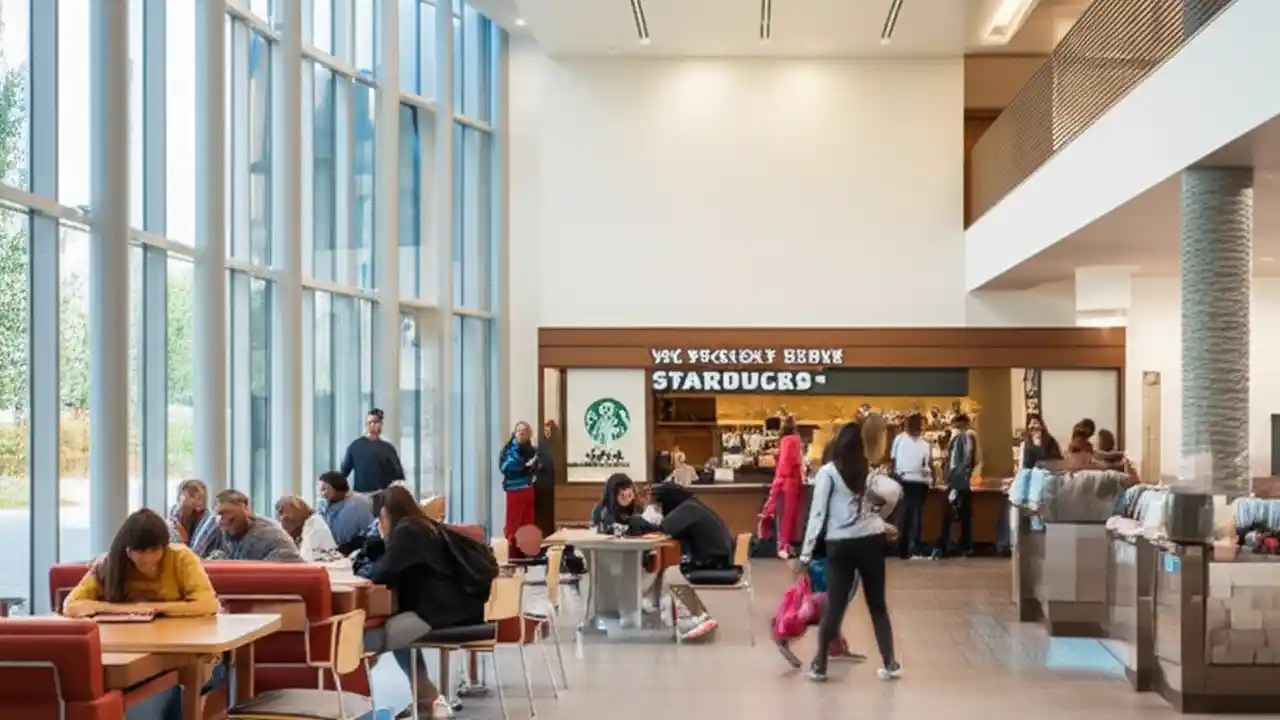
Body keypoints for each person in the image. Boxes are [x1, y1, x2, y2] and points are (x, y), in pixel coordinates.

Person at [363, 486, 488, 719]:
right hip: (458, 607)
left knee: (370, 639)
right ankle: (427, 698)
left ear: (387, 513)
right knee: (397, 632)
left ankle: (354, 705)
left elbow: (382, 574)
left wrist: (380, 543)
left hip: (439, 613)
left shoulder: (407, 532)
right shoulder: (425, 527)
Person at [799, 422, 901, 683]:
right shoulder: (869, 473)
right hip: (870, 542)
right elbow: (892, 493)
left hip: (840, 544)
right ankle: (890, 662)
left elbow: (818, 514)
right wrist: (881, 522)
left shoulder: (829, 473)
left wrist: (805, 553)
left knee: (835, 604)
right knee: (877, 604)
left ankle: (820, 664)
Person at [63, 508, 219, 618]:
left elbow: (207, 604)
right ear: (127, 551)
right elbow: (71, 605)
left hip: (181, 637)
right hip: (126, 638)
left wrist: (149, 609)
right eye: (139, 552)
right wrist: (129, 610)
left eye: (154, 550)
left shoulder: (182, 558)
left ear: (164, 547)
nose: (148, 558)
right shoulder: (109, 564)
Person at [649, 483, 726, 641]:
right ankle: (698, 614)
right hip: (719, 556)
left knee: (670, 573)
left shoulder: (687, 509)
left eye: (658, 504)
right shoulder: (691, 505)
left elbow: (664, 528)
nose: (658, 508)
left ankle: (697, 615)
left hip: (715, 561)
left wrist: (647, 519)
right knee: (672, 570)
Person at [209, 490, 303, 562]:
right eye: (217, 515)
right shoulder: (228, 532)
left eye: (225, 512)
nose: (220, 520)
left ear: (245, 508)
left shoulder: (268, 534)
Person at [933, 414, 976, 560]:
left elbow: (958, 462)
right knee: (964, 515)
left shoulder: (961, 438)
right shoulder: (968, 438)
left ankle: (947, 545)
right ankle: (965, 546)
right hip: (962, 482)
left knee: (950, 514)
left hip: (956, 482)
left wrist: (952, 479)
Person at [762, 415, 804, 559]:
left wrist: (775, 487)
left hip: (785, 483)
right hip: (795, 483)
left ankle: (782, 546)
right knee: (791, 516)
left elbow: (784, 467)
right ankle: (790, 545)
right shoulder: (797, 440)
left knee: (783, 517)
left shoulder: (787, 441)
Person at [891, 413, 932, 559]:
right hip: (905, 480)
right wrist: (896, 477)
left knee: (917, 516)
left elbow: (927, 463)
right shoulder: (899, 439)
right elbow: (894, 460)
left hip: (920, 482)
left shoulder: (925, 443)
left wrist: (928, 475)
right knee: (906, 515)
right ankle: (903, 547)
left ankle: (915, 547)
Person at [340, 408, 407, 493]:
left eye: (375, 422)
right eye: (369, 422)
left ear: (381, 424)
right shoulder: (355, 446)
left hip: (381, 495)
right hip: (362, 494)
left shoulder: (387, 448)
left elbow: (398, 476)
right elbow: (343, 473)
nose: (372, 425)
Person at [499, 421, 539, 544]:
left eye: (525, 431)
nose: (521, 433)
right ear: (514, 433)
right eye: (519, 431)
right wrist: (523, 465)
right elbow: (505, 467)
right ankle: (511, 549)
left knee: (527, 520)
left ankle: (525, 549)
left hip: (528, 488)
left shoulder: (532, 450)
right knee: (513, 522)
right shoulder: (510, 449)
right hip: (515, 489)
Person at [318, 471, 377, 553]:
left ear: (337, 488)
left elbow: (371, 530)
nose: (321, 493)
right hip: (328, 549)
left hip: (352, 549)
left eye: (324, 489)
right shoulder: (323, 504)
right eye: (319, 489)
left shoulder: (359, 503)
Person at [167, 479, 220, 558]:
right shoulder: (173, 517)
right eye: (191, 496)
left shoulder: (211, 520)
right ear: (179, 498)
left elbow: (194, 555)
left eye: (201, 498)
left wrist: (184, 540)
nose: (198, 501)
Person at [276, 496, 339, 562]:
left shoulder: (314, 527)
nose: (281, 521)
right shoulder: (308, 524)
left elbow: (304, 562)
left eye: (282, 514)